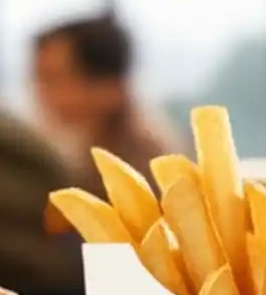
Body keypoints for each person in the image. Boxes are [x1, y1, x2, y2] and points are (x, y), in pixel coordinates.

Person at [34, 14, 182, 188]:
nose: (40, 92)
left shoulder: (143, 168)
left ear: (108, 84)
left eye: (53, 78)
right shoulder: (83, 148)